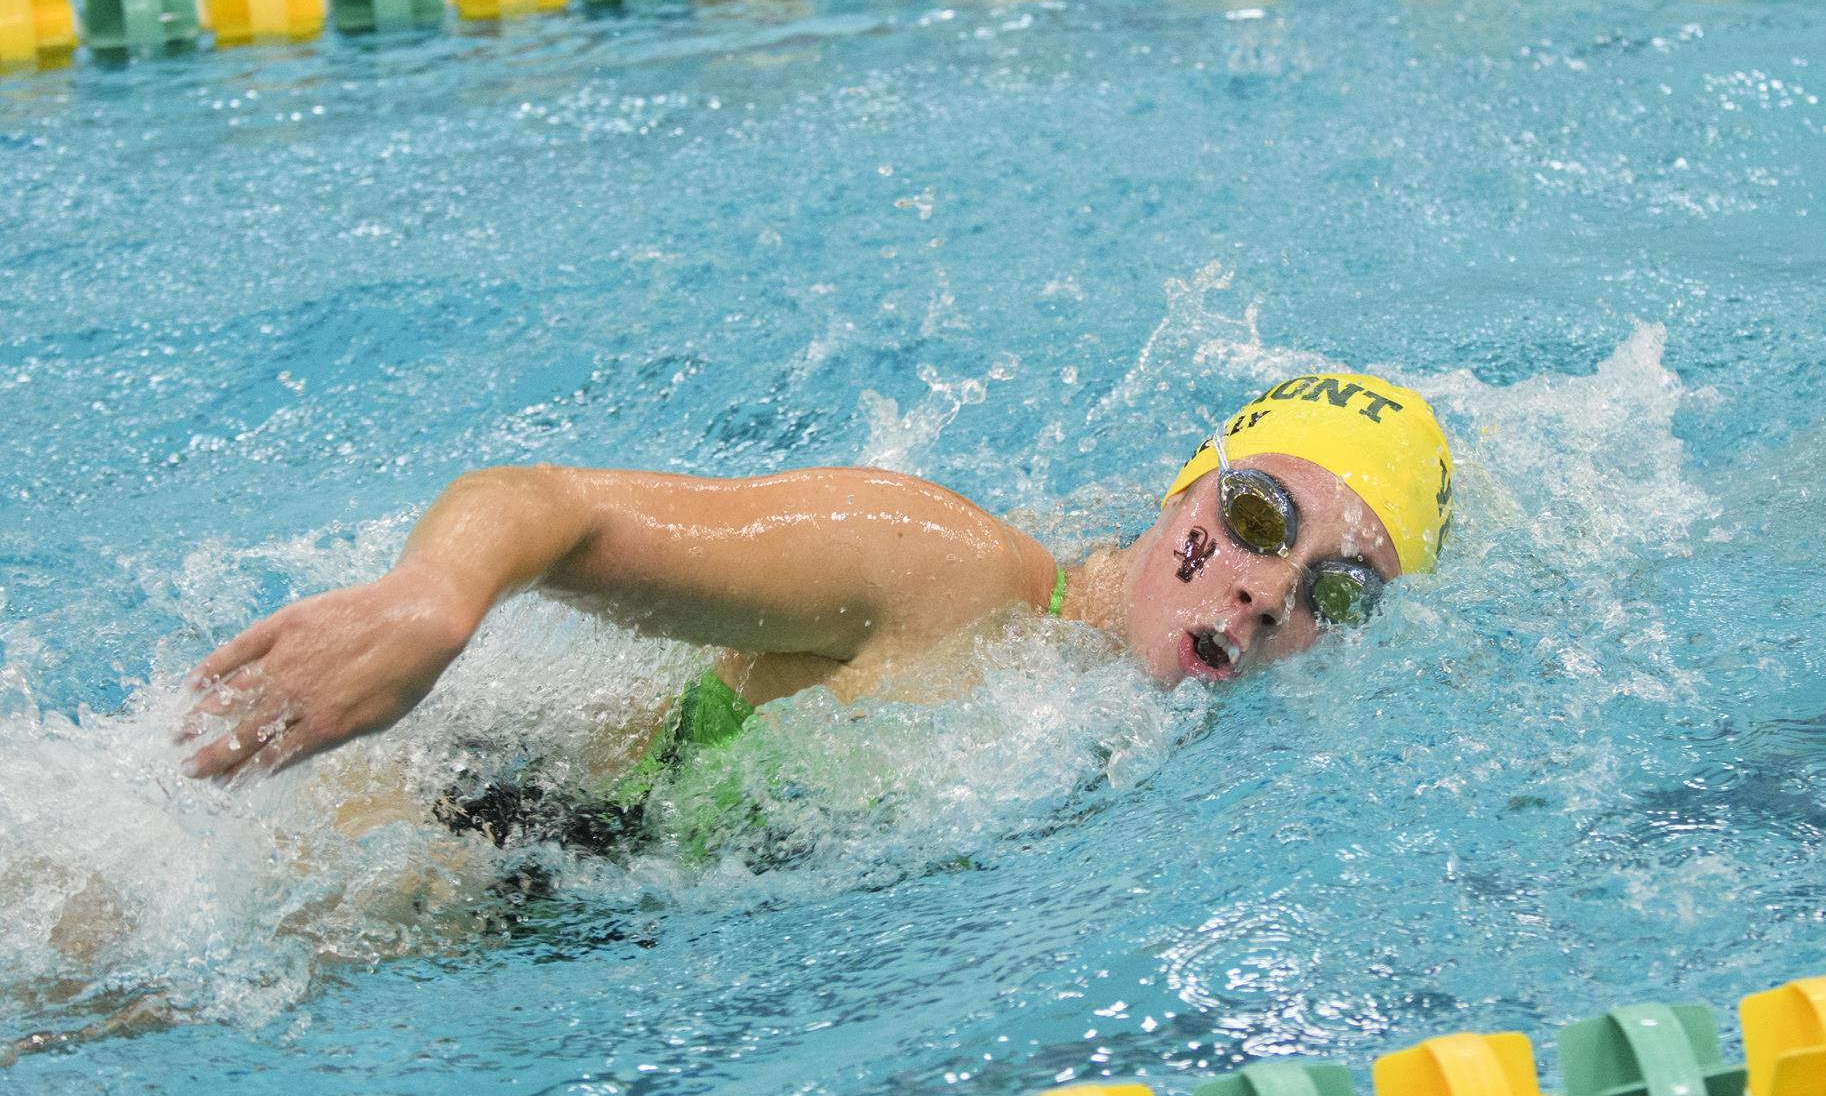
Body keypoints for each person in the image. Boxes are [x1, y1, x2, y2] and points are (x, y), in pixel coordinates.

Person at [179, 371, 1453, 855]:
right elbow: (548, 505)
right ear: (1183, 489)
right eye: (1258, 516)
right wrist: (428, 600)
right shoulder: (941, 567)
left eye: (1333, 591)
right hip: (445, 829)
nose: (1267, 590)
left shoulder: (1105, 719)